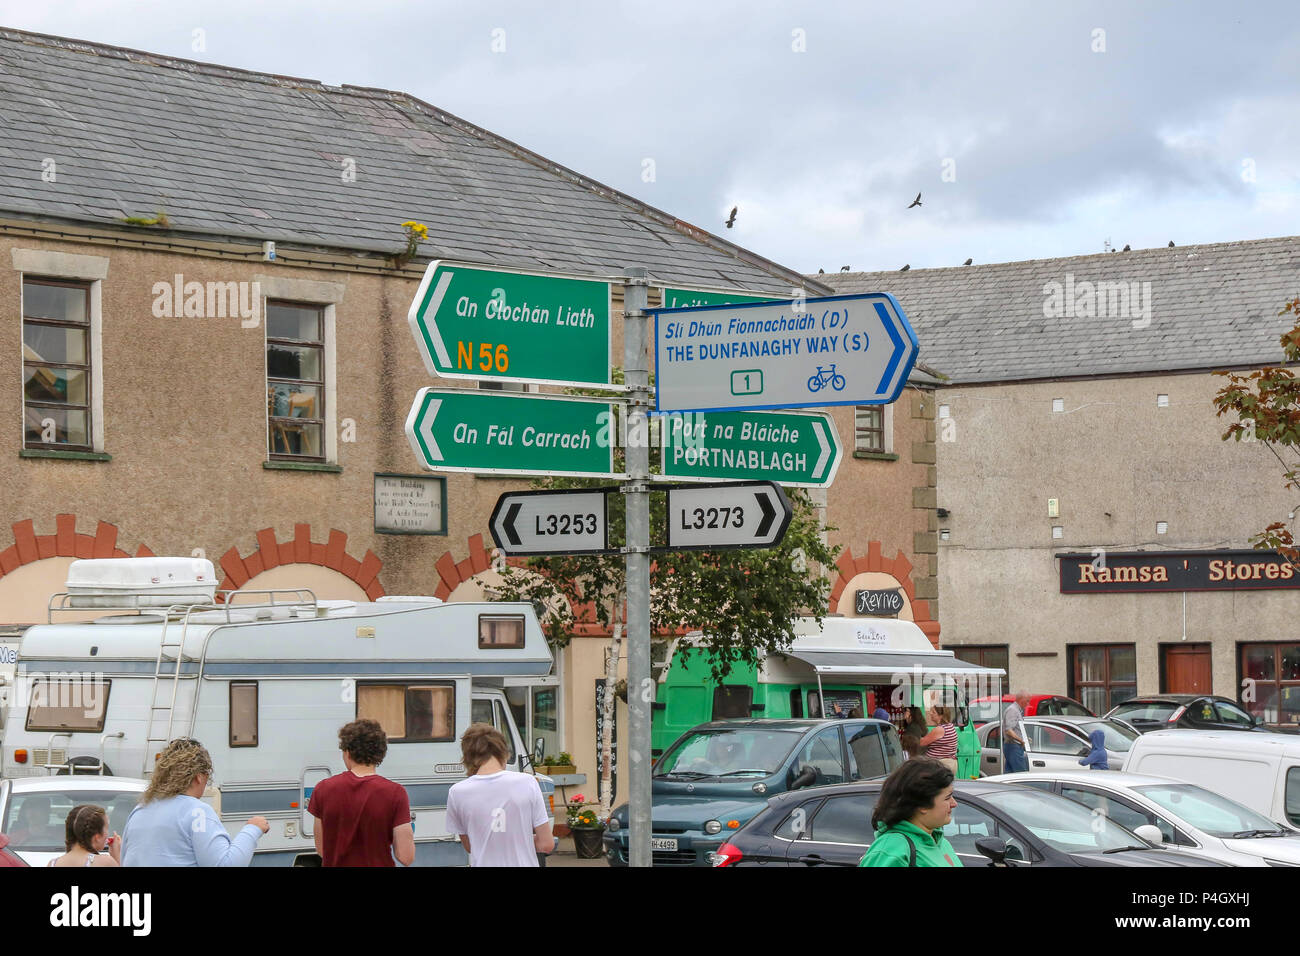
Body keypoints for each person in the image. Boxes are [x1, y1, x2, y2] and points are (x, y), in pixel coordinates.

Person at [122, 738, 268, 866]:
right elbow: (225, 864)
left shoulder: (139, 811)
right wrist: (252, 829)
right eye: (207, 775)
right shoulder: (197, 812)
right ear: (198, 777)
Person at [445, 723, 557, 867]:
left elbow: (471, 846)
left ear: (468, 757)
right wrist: (521, 842)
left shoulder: (457, 792)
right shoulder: (528, 782)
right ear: (503, 752)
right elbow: (546, 844)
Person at [308, 719, 415, 866]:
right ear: (380, 753)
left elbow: (322, 850)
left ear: (347, 753)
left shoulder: (323, 789)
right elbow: (406, 856)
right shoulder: (396, 793)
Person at [858, 759, 962, 867]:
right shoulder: (891, 850)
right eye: (947, 797)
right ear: (923, 804)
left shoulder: (941, 843)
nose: (954, 803)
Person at [49, 805, 120, 868]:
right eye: (107, 829)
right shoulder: (105, 862)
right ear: (97, 837)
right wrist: (117, 856)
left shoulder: (52, 863)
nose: (108, 834)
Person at [919, 706, 959, 774]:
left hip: (939, 766)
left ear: (941, 716)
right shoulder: (950, 726)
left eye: (934, 712)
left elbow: (921, 743)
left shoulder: (939, 729)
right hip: (949, 763)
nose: (930, 713)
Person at [1002, 692, 1031, 773]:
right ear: (1022, 700)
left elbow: (1015, 729)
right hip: (1013, 746)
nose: (1028, 703)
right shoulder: (1013, 710)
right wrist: (1022, 741)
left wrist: (1025, 738)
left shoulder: (1016, 710)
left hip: (1013, 746)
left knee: (1010, 773)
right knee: (1020, 773)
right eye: (1027, 701)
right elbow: (1009, 730)